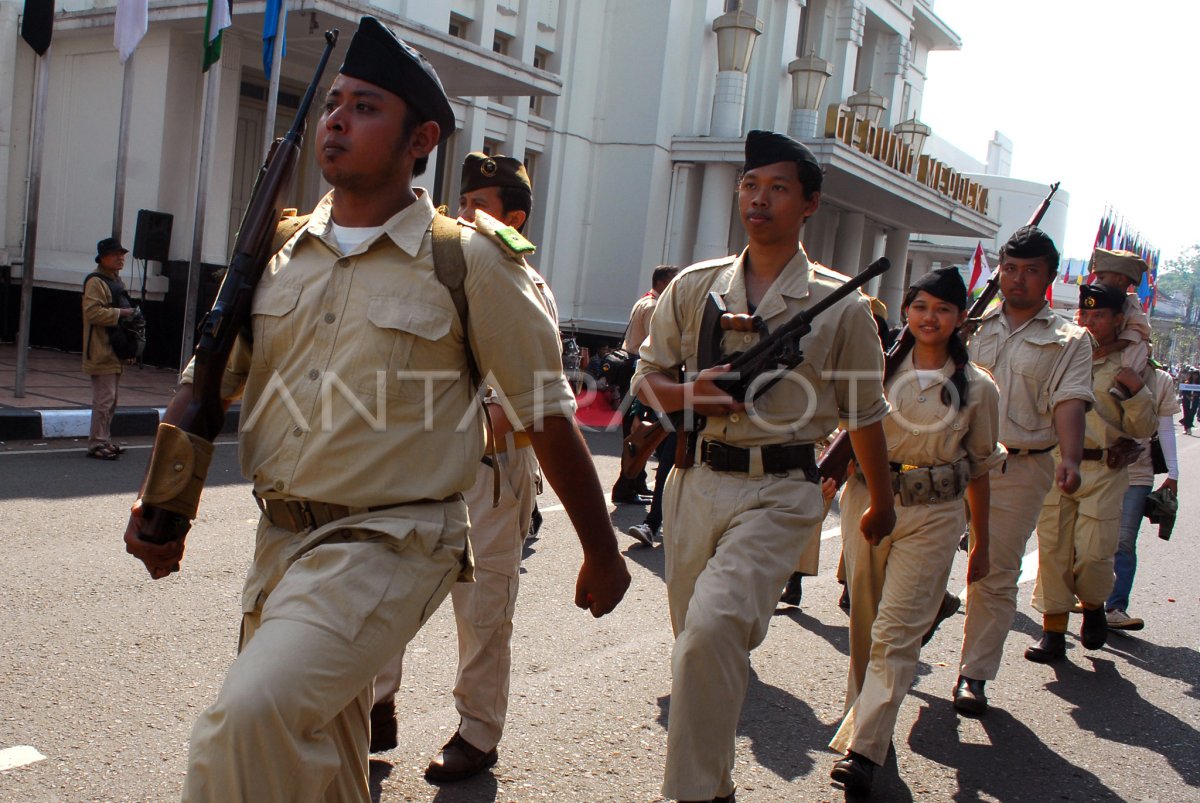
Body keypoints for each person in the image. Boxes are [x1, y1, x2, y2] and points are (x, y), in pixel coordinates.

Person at [121, 18, 629, 801]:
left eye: (365, 106)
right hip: (282, 543)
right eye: (333, 103)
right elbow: (209, 380)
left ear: (420, 137)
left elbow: (547, 412)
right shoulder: (281, 254)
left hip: (394, 539)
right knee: (320, 756)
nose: (335, 119)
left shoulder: (470, 259)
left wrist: (603, 549)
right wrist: (163, 503)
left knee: (244, 719)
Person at [633, 129, 895, 803]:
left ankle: (689, 793)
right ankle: (714, 784)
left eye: (778, 188)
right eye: (751, 185)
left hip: (781, 489)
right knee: (699, 649)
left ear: (809, 203)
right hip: (695, 481)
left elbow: (865, 414)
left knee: (712, 631)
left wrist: (882, 502)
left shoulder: (843, 307)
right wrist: (695, 393)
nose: (760, 199)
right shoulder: (694, 287)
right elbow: (647, 380)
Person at [367, 151, 558, 781]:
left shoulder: (522, 284)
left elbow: (522, 402)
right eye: (463, 202)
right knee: (385, 586)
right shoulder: (436, 270)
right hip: (419, 468)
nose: (464, 215)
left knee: (481, 611)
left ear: (515, 218)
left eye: (480, 206)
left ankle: (478, 734)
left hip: (490, 474)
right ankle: (376, 704)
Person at [828, 267, 1003, 794]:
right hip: (867, 504)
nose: (931, 318)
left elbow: (978, 470)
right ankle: (867, 724)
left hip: (935, 514)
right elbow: (843, 437)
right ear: (906, 310)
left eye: (944, 309)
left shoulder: (978, 388)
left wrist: (983, 543)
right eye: (922, 306)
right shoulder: (874, 372)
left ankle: (864, 748)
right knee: (864, 625)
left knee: (895, 633)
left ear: (960, 319)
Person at [951, 225, 1094, 715]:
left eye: (1031, 271)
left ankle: (974, 673)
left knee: (993, 571)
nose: (1018, 280)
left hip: (1019, 466)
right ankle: (927, 614)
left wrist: (1071, 460)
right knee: (921, 555)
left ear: (1049, 278)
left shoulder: (1070, 340)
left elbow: (1070, 401)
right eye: (1010, 269)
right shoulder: (969, 326)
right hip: (951, 461)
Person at [1024, 283, 1157, 662]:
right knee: (1053, 549)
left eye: (1099, 316)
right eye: (1085, 314)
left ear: (1118, 319)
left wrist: (1134, 392)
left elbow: (1144, 427)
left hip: (1103, 469)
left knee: (1095, 553)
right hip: (1055, 465)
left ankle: (1095, 605)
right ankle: (1052, 633)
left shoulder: (1130, 364)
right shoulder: (1062, 355)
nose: (1090, 322)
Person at [1105, 362, 1179, 630]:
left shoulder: (1160, 380)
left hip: (1138, 474)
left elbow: (1167, 428)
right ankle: (1088, 598)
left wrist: (1174, 474)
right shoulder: (1094, 364)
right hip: (1094, 468)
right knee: (1086, 536)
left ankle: (1115, 607)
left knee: (1124, 540)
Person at [613, 266, 679, 505]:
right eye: (672, 280)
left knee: (637, 428)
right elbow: (657, 343)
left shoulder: (645, 300)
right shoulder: (653, 306)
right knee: (639, 430)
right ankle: (626, 485)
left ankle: (635, 481)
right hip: (640, 368)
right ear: (662, 282)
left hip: (632, 366)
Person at [82, 237, 137, 460]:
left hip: (114, 348)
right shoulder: (95, 282)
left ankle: (104, 439)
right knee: (104, 399)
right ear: (103, 258)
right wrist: (121, 314)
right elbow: (92, 313)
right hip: (100, 349)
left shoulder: (115, 281)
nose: (120, 258)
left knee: (111, 400)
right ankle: (96, 443)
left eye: (122, 255)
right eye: (115, 255)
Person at [1084, 248, 1151, 400]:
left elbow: (1135, 332)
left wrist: (1110, 348)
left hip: (1123, 347)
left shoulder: (1132, 306)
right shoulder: (1093, 298)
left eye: (1101, 277)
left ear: (1120, 280)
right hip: (1095, 351)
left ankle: (1123, 386)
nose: (1097, 282)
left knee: (1138, 349)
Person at [1180, 367, 1200, 435]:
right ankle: (1187, 428)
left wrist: (1195, 395)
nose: (1195, 376)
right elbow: (1183, 391)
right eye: (1194, 374)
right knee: (1186, 413)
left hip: (1195, 400)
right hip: (1186, 400)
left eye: (1196, 375)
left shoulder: (1198, 383)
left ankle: (1189, 425)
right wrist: (1188, 396)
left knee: (1192, 413)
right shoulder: (1187, 382)